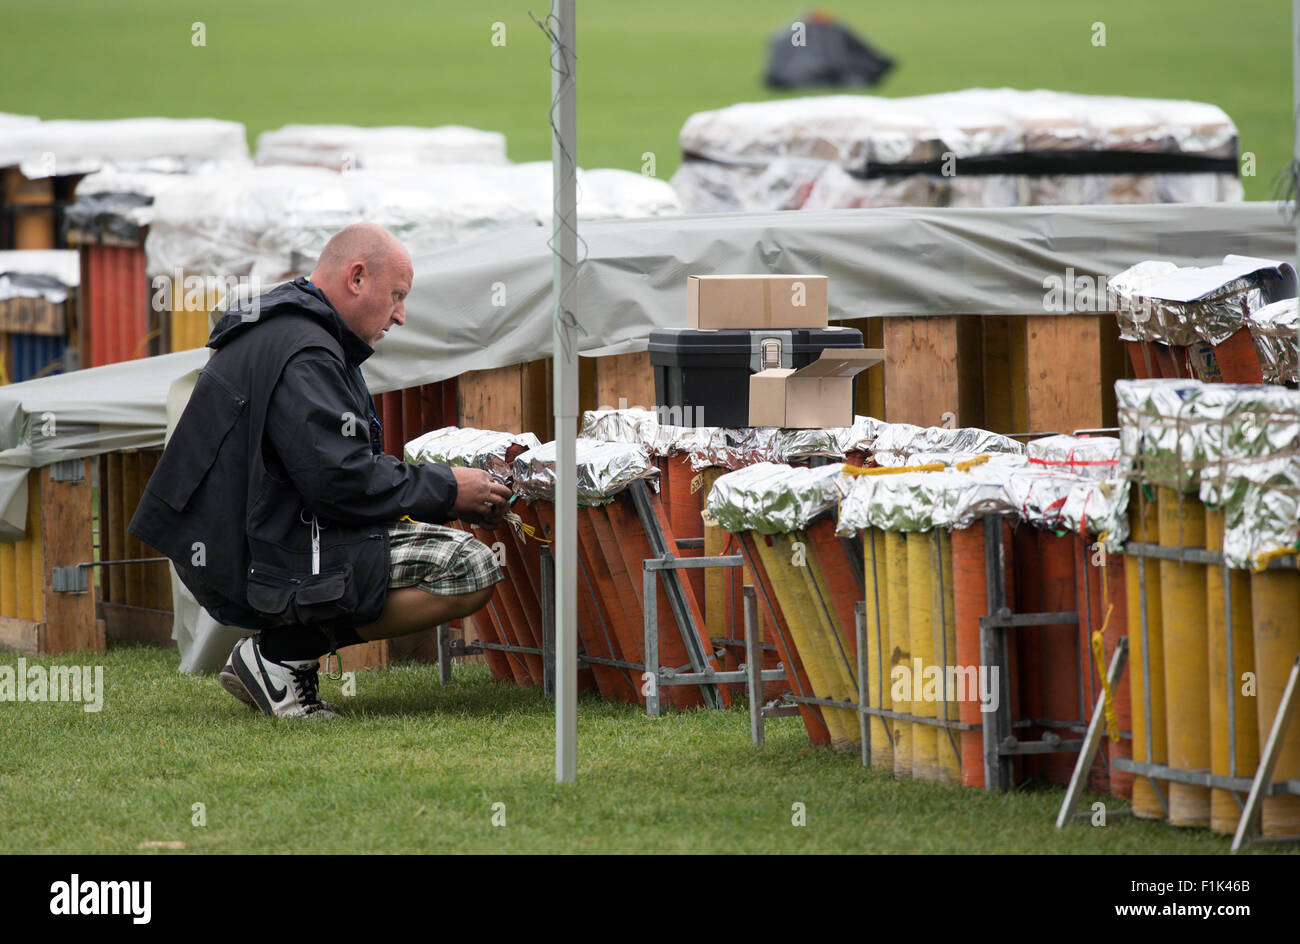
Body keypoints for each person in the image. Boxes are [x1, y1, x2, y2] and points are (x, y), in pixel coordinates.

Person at [129, 222, 512, 719]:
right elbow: (340, 483)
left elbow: (329, 471)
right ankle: (280, 655)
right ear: (356, 278)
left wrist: (427, 493)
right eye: (396, 295)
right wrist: (447, 488)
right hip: (256, 561)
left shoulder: (286, 325)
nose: (400, 315)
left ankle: (281, 656)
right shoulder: (307, 351)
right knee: (468, 568)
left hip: (237, 548)